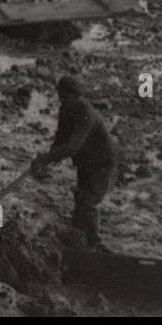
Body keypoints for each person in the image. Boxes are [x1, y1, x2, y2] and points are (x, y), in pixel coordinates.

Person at [31, 75, 118, 248]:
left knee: (88, 203)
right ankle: (78, 244)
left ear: (76, 95)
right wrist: (45, 160)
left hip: (103, 165)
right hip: (85, 164)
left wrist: (47, 158)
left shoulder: (87, 114)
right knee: (80, 201)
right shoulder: (65, 109)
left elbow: (72, 146)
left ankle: (94, 246)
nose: (62, 99)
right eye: (60, 96)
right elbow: (60, 138)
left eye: (65, 96)